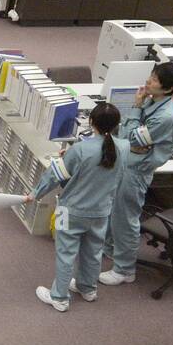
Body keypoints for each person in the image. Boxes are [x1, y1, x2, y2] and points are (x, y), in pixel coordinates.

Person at [26, 102, 128, 312]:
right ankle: (87, 288)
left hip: (69, 211)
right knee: (93, 251)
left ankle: (59, 297)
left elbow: (55, 176)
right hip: (101, 212)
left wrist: (35, 194)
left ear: (91, 122)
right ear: (118, 124)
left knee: (65, 253)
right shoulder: (124, 148)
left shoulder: (80, 149)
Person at [100, 61, 173, 286]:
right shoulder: (153, 100)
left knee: (125, 220)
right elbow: (131, 137)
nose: (149, 81)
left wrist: (136, 108)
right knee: (113, 212)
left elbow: (129, 138)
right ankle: (109, 248)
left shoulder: (165, 115)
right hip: (129, 163)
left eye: (155, 80)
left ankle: (125, 270)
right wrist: (134, 133)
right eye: (152, 75)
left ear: (167, 89)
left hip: (136, 171)